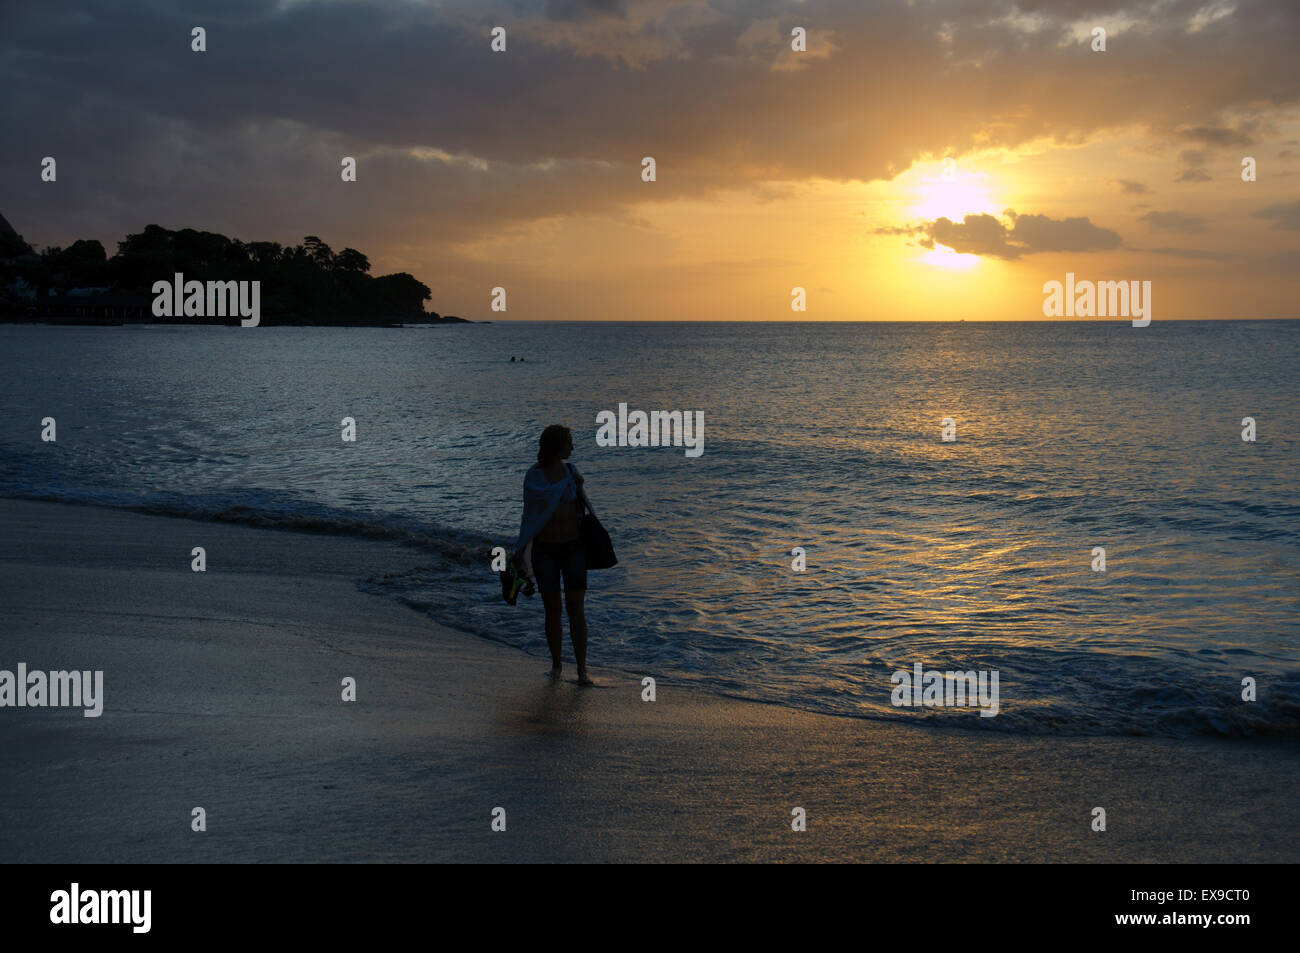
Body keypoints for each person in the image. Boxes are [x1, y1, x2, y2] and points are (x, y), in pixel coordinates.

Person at [513, 425, 593, 685]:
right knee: (553, 609)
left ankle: (582, 669)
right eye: (569, 442)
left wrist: (580, 489)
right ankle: (557, 666)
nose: (572, 447)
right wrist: (521, 549)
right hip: (545, 549)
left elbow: (581, 512)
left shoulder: (571, 473)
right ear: (556, 445)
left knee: (576, 609)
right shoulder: (534, 477)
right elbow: (531, 517)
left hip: (573, 547)